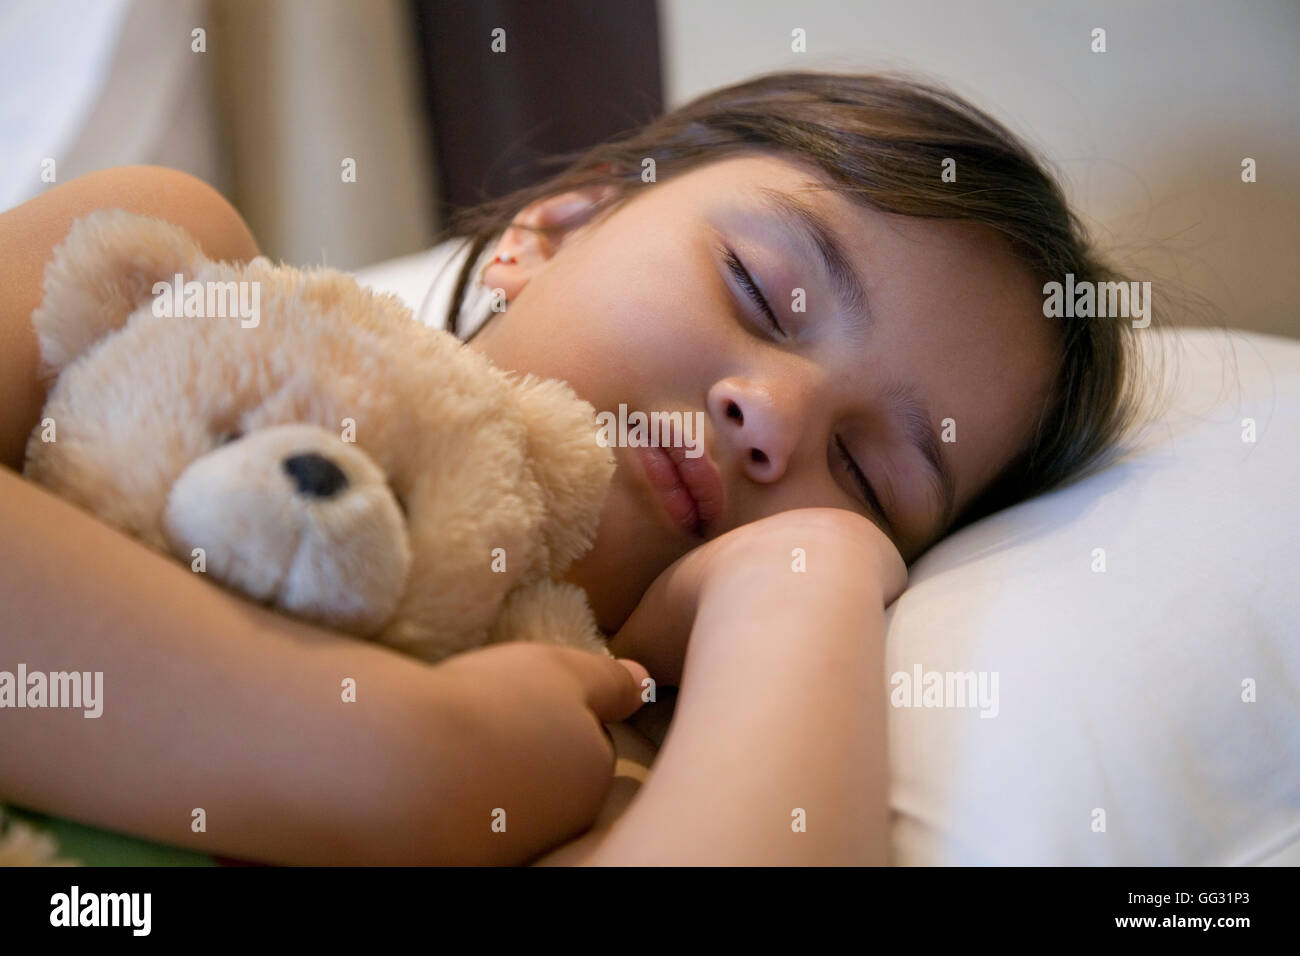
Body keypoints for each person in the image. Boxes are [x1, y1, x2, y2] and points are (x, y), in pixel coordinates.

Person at [0, 71, 1146, 865]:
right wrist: (416, 763)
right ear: (553, 227)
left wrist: (800, 575)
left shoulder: (602, 775)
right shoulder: (180, 292)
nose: (770, 418)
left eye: (864, 472)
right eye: (756, 290)